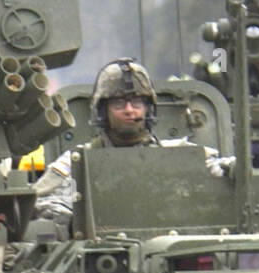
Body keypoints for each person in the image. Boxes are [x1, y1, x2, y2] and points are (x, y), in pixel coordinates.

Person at [33, 58, 229, 225]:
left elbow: (217, 172)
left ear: (148, 109)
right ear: (103, 111)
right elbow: (42, 200)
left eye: (137, 102)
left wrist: (231, 169)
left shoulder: (180, 155)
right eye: (119, 103)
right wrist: (69, 216)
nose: (129, 110)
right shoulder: (78, 161)